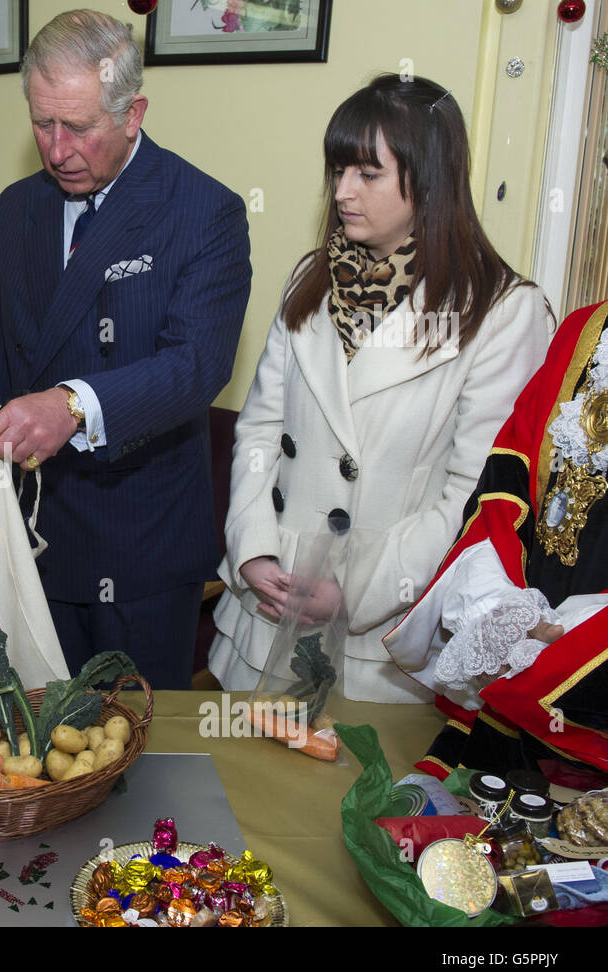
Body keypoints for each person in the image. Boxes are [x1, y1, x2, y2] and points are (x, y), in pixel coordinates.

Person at [209, 74, 553, 704]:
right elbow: (259, 429)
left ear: (430, 179)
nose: (342, 192)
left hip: (386, 636)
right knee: (241, 792)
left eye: (367, 174)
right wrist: (253, 550)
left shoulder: (503, 311)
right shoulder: (311, 277)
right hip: (268, 609)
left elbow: (477, 495)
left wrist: (360, 592)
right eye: (338, 169)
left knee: (357, 798)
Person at [0, 9, 251, 689]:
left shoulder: (202, 211)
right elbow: (4, 368)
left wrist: (72, 404)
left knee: (134, 760)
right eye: (43, 124)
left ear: (133, 114)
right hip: (32, 543)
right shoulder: (16, 209)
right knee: (35, 756)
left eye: (80, 127)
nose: (59, 149)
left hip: (140, 548)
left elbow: (196, 366)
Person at [384, 301, 608, 777]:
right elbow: (507, 476)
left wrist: (565, 640)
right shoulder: (583, 329)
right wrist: (500, 607)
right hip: (506, 703)